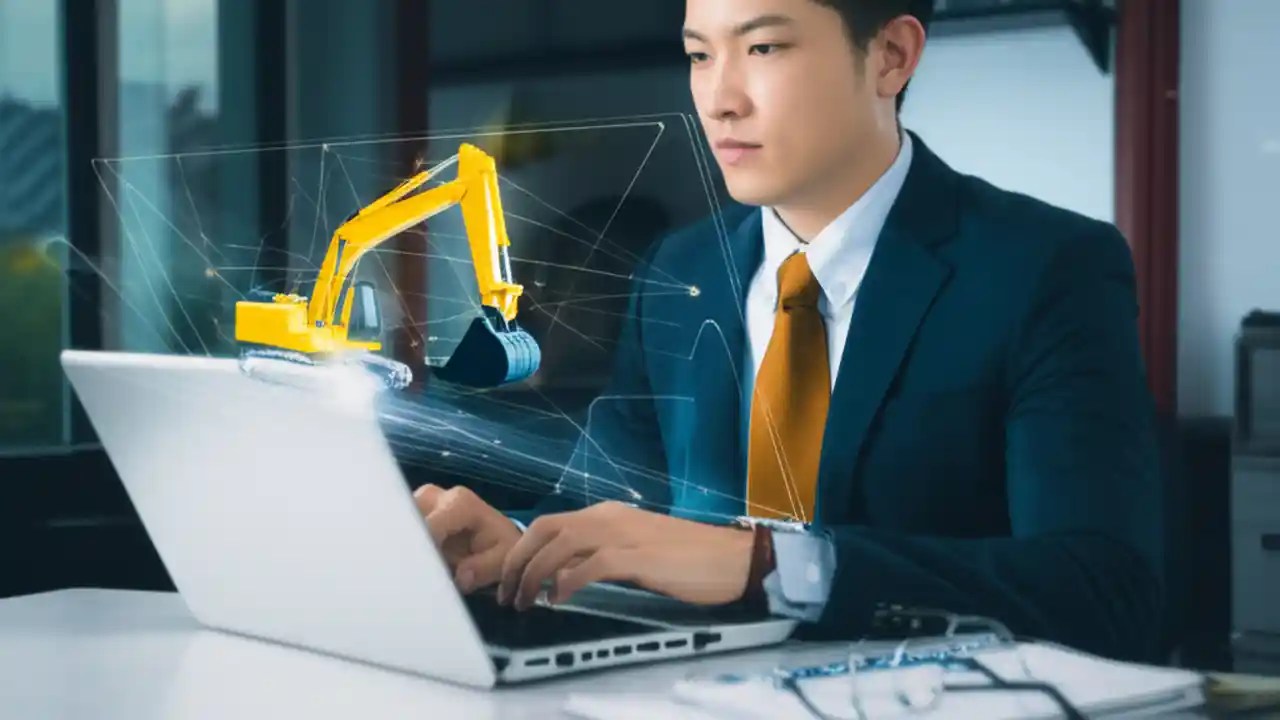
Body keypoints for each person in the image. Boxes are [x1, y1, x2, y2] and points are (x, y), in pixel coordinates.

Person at [414, 0, 1164, 661]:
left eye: (764, 48)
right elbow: (606, 512)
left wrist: (770, 565)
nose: (719, 98)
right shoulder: (679, 273)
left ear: (890, 57)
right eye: (700, 54)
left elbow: (1104, 595)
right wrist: (513, 544)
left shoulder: (1042, 268)